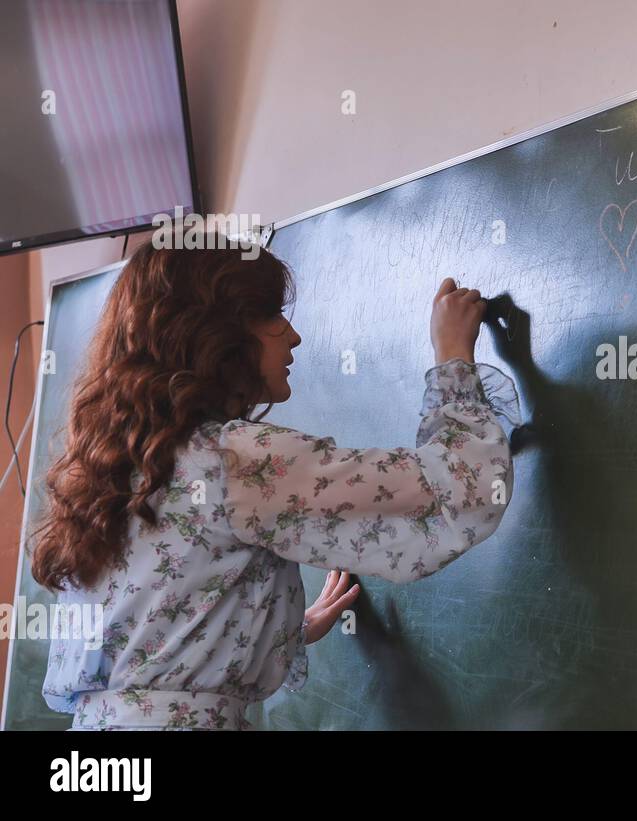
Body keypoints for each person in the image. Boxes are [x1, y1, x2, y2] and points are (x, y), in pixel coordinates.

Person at [29, 238, 514, 730]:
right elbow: (459, 488)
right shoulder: (234, 461)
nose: (294, 336)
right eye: (272, 315)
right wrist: (453, 355)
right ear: (217, 330)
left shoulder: (110, 470)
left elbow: (153, 626)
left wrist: (279, 629)